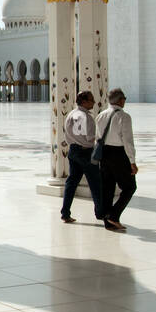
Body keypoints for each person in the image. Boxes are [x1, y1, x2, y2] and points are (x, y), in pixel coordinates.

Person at [96, 88, 137, 233]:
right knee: (130, 187)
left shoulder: (101, 115)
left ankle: (108, 222)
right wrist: (132, 161)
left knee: (107, 189)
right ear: (120, 100)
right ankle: (114, 215)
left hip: (105, 154)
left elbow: (98, 137)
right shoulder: (124, 117)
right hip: (119, 154)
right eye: (124, 98)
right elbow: (127, 141)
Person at [60, 90, 103, 224]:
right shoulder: (84, 117)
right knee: (95, 183)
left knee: (71, 182)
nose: (94, 102)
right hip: (85, 152)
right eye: (91, 100)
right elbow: (88, 137)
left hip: (73, 151)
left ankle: (65, 213)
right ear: (84, 101)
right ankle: (101, 213)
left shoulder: (71, 114)